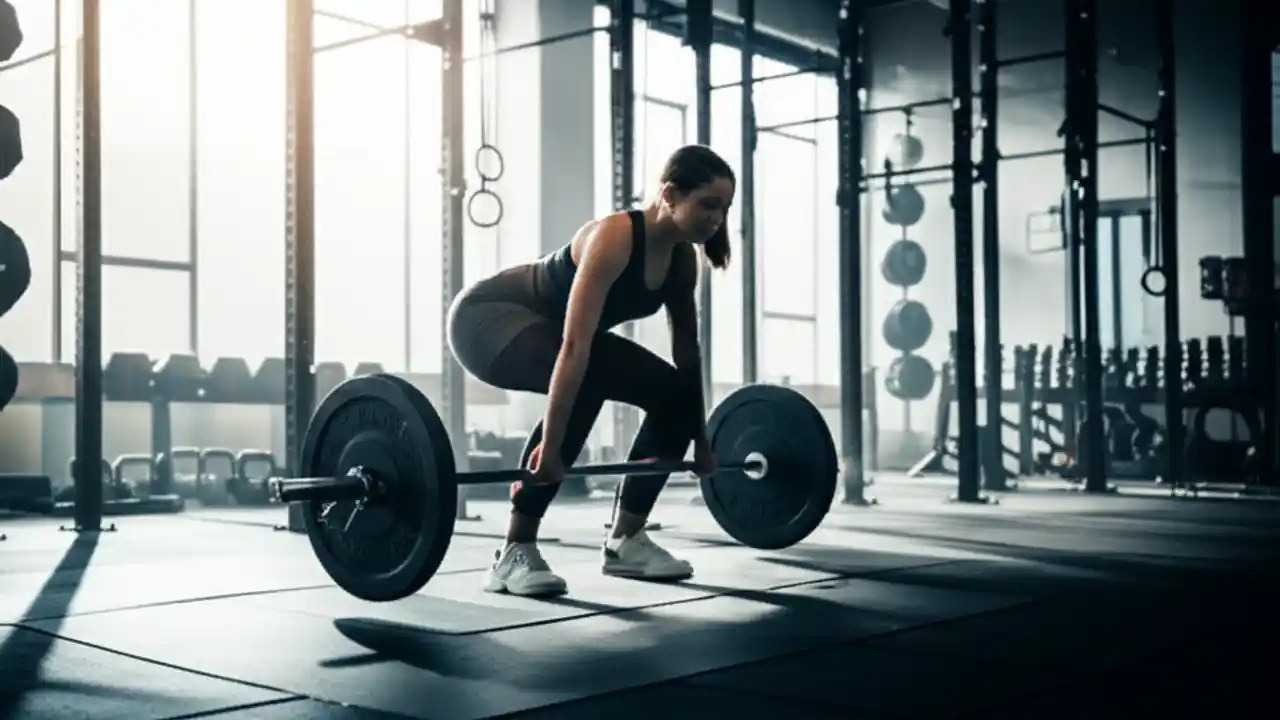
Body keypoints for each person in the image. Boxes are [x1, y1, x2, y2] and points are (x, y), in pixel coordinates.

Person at [447, 144, 736, 597]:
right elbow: (575, 348)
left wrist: (701, 441)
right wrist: (551, 449)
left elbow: (688, 356)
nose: (717, 219)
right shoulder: (616, 237)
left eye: (724, 209)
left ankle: (627, 541)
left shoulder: (682, 261)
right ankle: (514, 550)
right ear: (669, 194)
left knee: (674, 393)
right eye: (708, 205)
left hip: (553, 337)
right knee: (589, 375)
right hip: (486, 321)